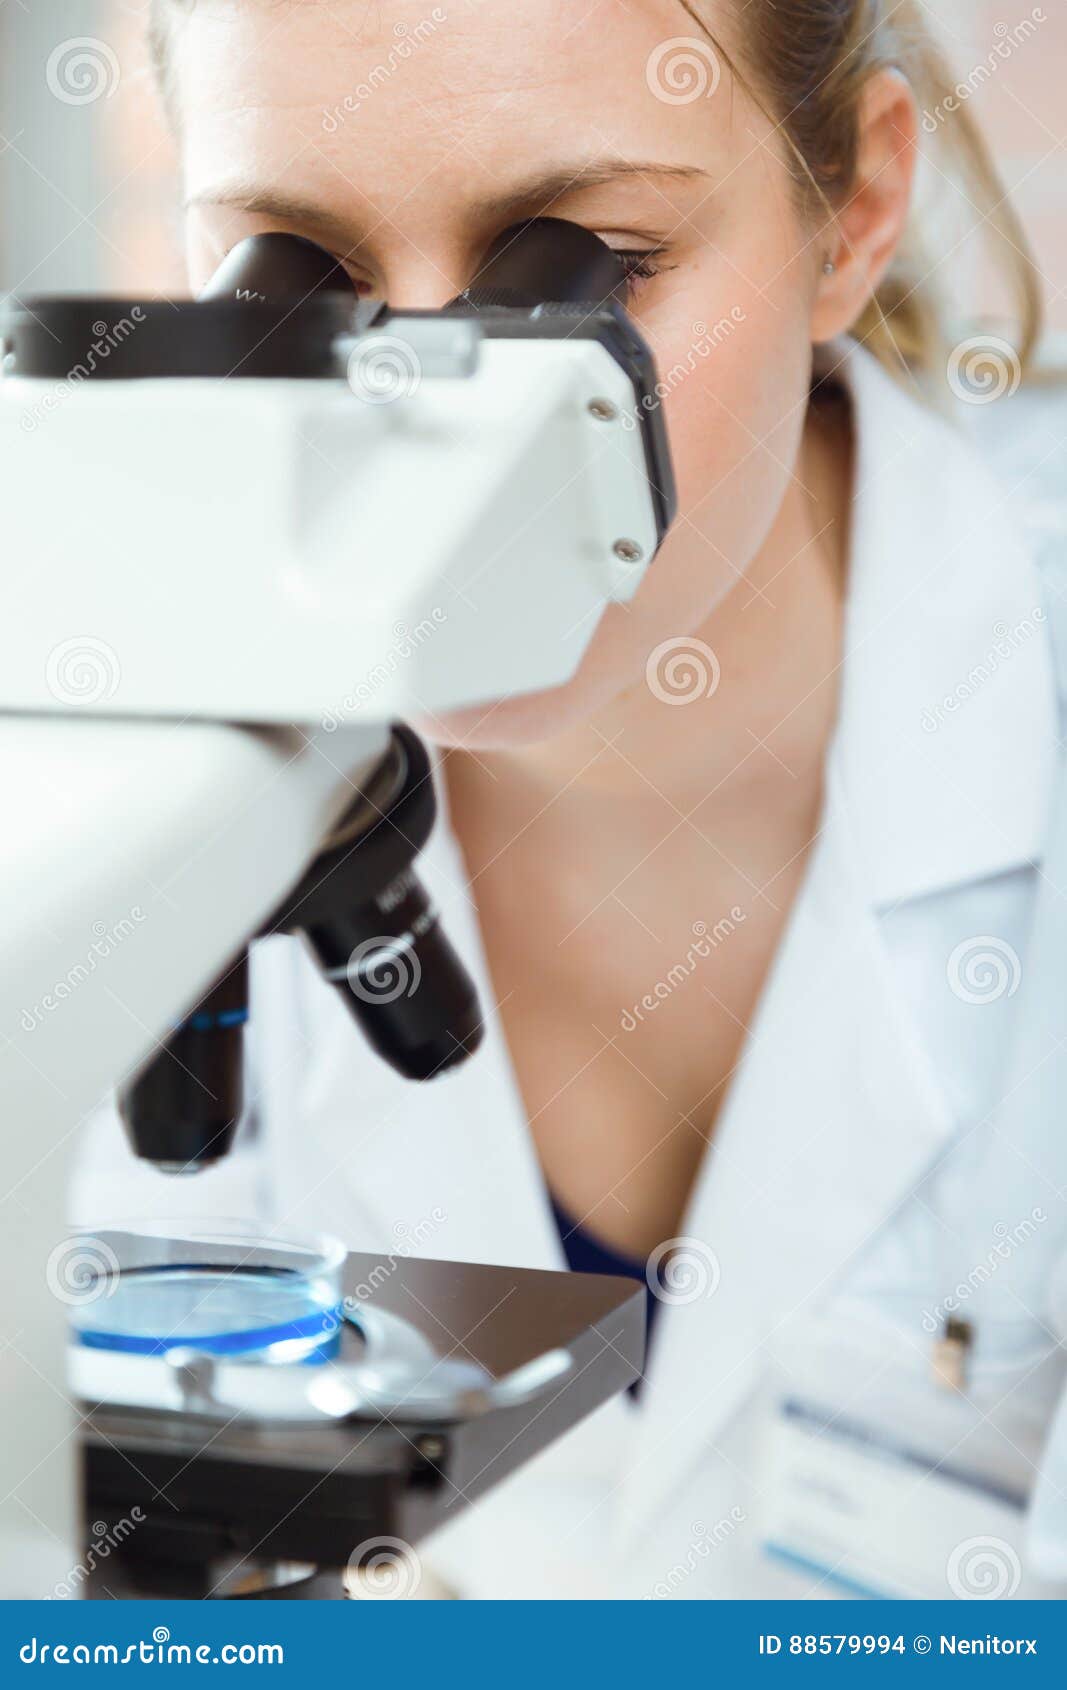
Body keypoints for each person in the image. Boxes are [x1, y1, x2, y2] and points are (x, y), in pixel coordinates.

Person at [79, 0, 1067, 1597]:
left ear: (855, 212)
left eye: (584, 264)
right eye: (296, 267)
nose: (426, 424)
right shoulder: (84, 752)